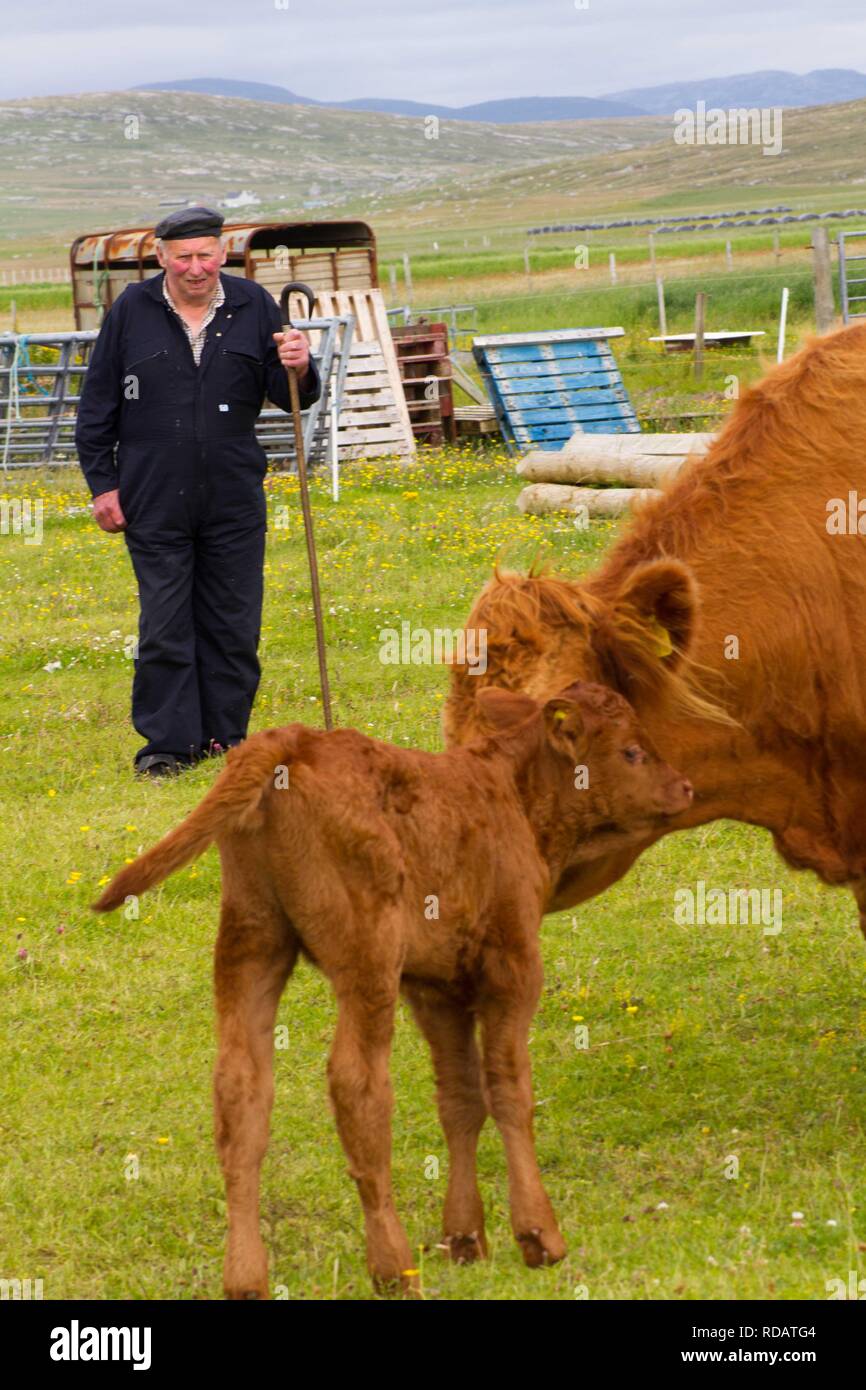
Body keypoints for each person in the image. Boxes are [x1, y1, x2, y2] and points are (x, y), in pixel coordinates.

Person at [75, 206, 320, 778]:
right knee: (165, 624)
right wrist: (103, 486)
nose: (196, 267)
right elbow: (96, 406)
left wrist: (300, 366)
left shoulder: (253, 305)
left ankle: (225, 739)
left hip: (233, 493)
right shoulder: (131, 311)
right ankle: (167, 746)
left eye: (206, 254)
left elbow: (291, 397)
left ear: (222, 254)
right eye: (183, 256)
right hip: (152, 495)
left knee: (233, 621)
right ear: (160, 257)